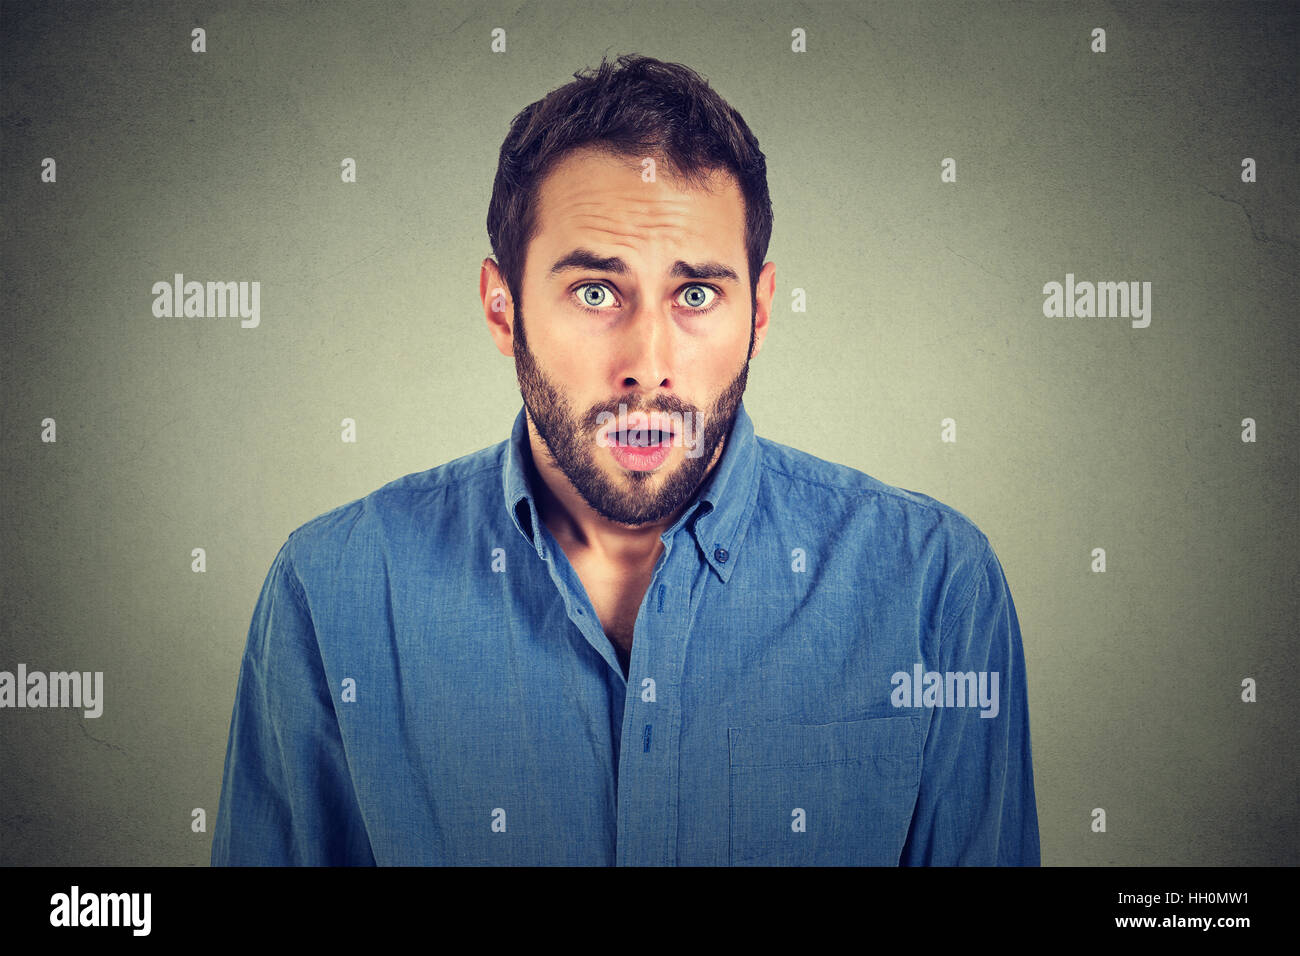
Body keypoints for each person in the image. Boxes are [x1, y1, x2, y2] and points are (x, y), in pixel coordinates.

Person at [211, 53, 1040, 866]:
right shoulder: (332, 590)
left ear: (757, 312)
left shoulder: (935, 589)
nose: (648, 361)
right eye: (596, 292)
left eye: (696, 294)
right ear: (503, 311)